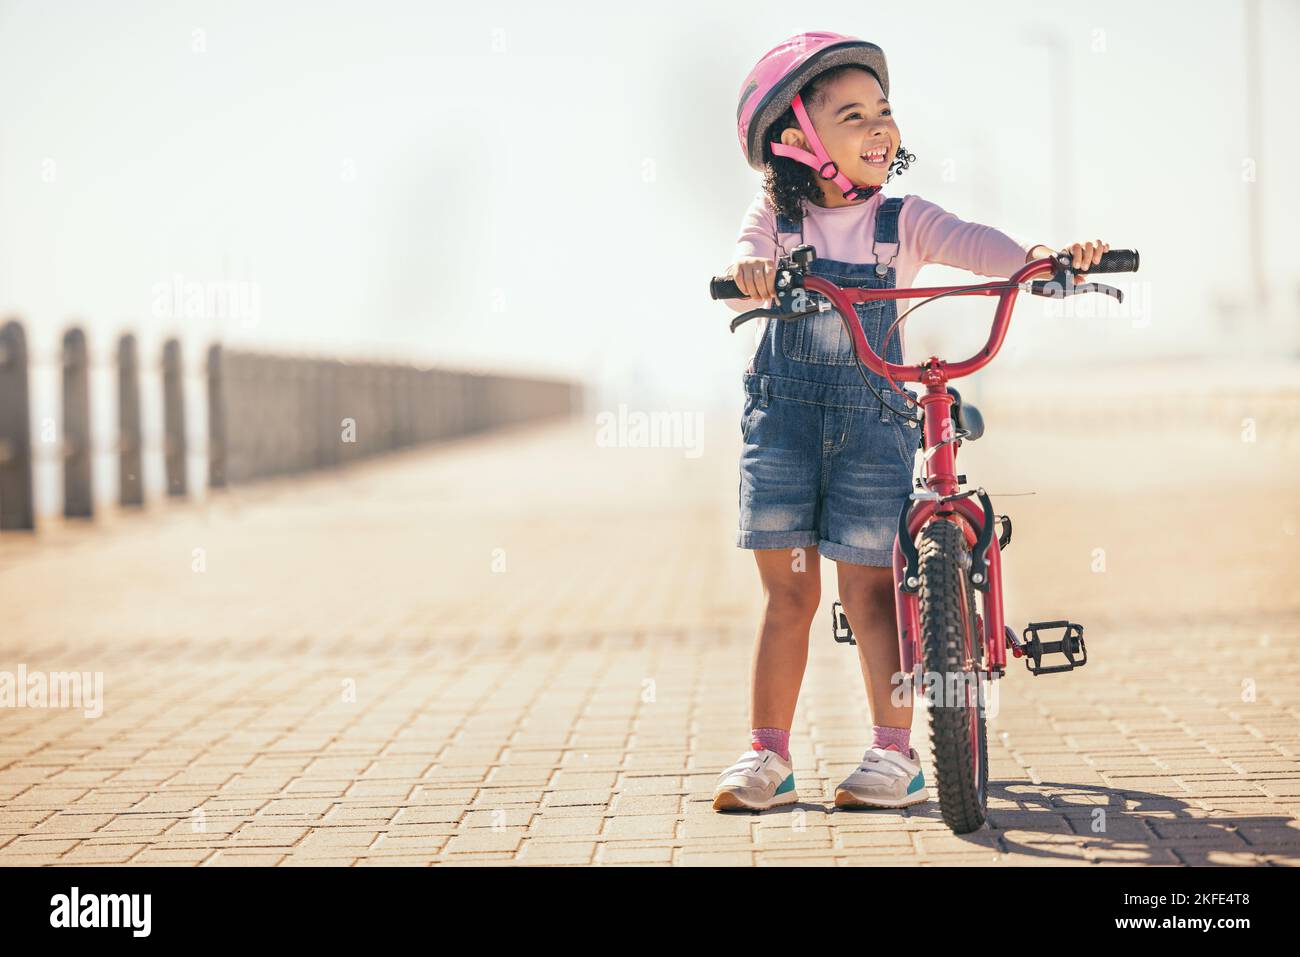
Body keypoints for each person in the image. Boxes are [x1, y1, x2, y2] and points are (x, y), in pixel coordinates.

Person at [713, 31, 1108, 812]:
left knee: (869, 592)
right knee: (787, 593)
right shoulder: (776, 221)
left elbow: (973, 243)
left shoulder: (903, 220)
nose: (878, 127)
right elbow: (738, 274)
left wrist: (1038, 258)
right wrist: (749, 275)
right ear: (797, 141)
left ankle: (895, 753)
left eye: (883, 111)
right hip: (784, 424)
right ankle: (768, 755)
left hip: (871, 423)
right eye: (852, 114)